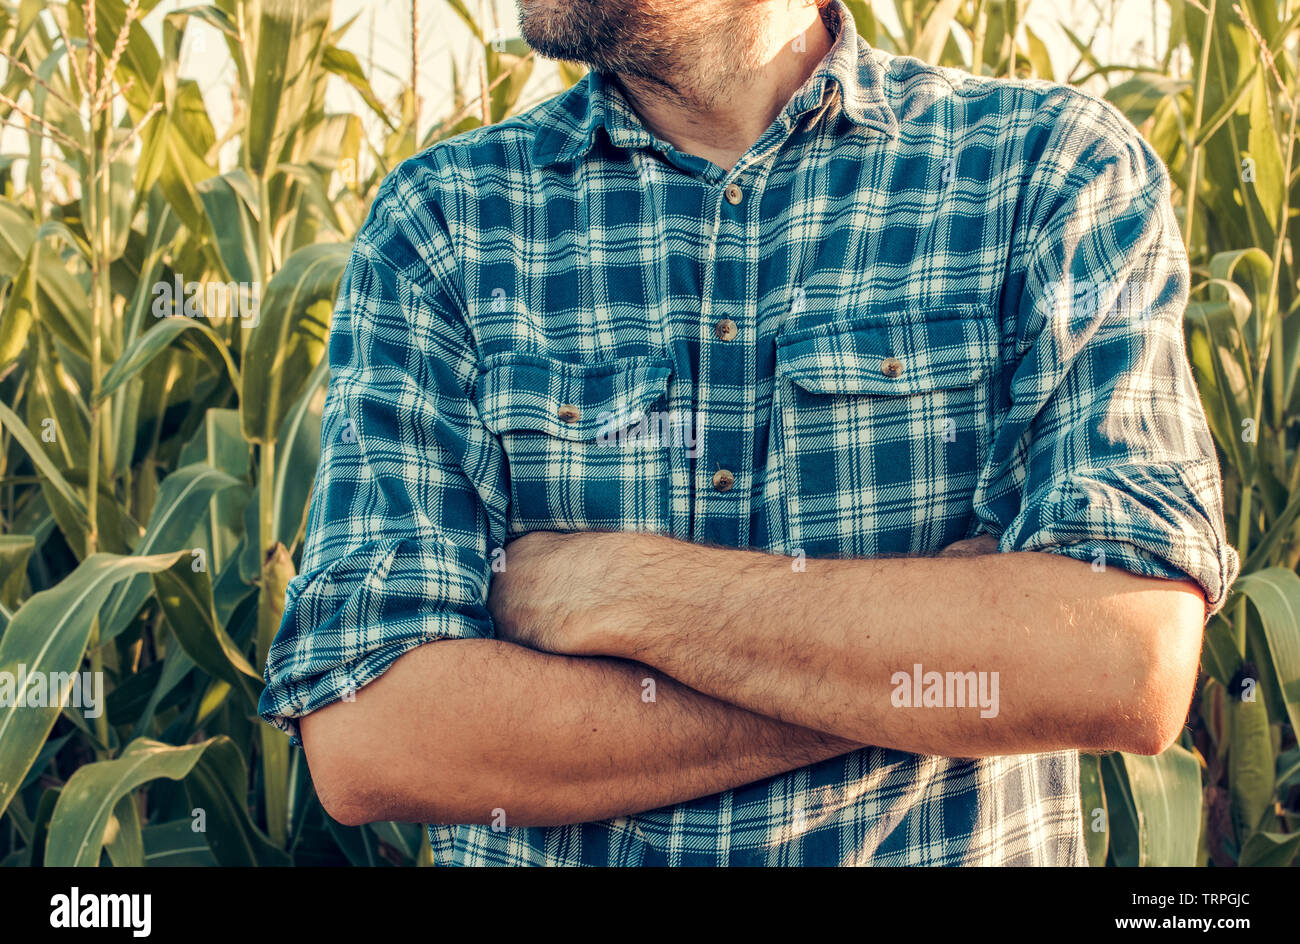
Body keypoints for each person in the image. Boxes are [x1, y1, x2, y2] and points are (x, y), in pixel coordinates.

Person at [258, 0, 1238, 866]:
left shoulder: (1046, 174)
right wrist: (926, 669)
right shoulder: (448, 223)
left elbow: (1121, 660)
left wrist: (621, 590)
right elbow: (371, 735)